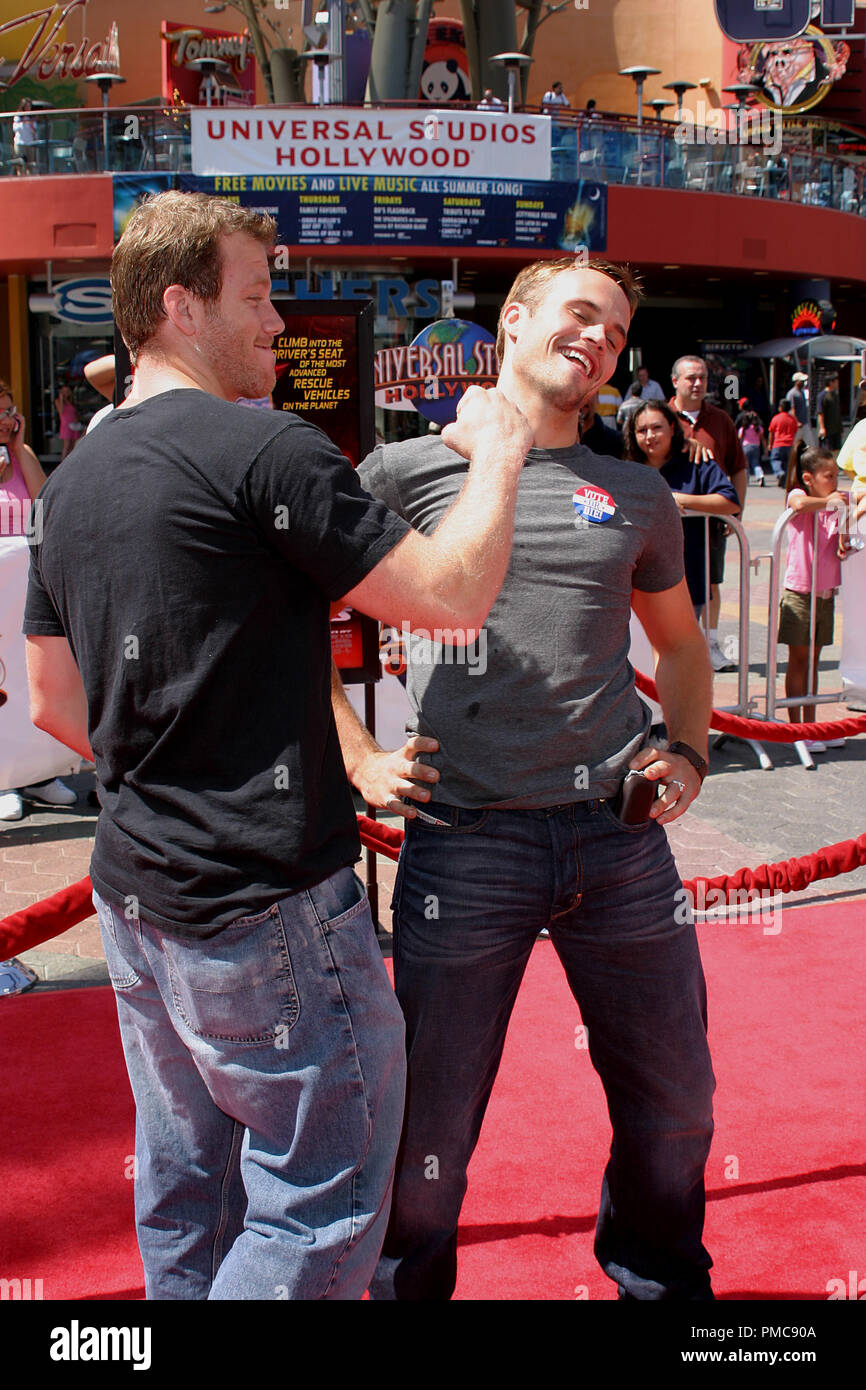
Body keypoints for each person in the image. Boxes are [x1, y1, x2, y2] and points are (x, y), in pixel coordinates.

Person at [23, 190, 532, 1300]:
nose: (280, 324)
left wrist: (176, 763)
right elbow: (447, 601)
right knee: (325, 1203)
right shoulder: (266, 449)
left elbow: (54, 701)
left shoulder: (72, 484)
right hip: (267, 899)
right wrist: (500, 453)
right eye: (256, 296)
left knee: (188, 1179)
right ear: (177, 306)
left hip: (136, 892)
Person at [333, 256, 717, 1302]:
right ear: (512, 321)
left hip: (620, 837)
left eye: (615, 328)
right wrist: (356, 755)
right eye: (578, 312)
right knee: (429, 1125)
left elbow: (680, 648)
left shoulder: (635, 491)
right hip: (465, 841)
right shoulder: (404, 471)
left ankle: (658, 1282)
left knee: (676, 1101)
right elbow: (282, 617)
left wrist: (684, 750)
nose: (597, 337)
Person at [0, 380, 76, 823]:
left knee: (34, 678)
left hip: (24, 589)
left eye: (10, 410)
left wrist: (20, 446)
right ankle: (5, 778)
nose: (7, 419)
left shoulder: (23, 455)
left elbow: (48, 505)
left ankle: (40, 774)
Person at [669, 355, 747, 672]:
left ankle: (710, 643)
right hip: (668, 522)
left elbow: (738, 468)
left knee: (710, 581)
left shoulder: (721, 419)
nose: (698, 383)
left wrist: (736, 513)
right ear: (675, 381)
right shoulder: (660, 417)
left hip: (709, 522)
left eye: (702, 377)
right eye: (690, 378)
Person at [624, 401, 738, 615]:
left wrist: (681, 499)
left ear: (673, 428)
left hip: (687, 579)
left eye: (657, 427)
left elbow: (729, 501)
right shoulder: (626, 469)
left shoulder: (696, 462)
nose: (650, 436)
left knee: (679, 646)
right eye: (641, 430)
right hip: (636, 583)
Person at [778, 443, 853, 753]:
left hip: (825, 593)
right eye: (828, 475)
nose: (834, 481)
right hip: (799, 592)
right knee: (799, 660)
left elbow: (843, 534)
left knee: (815, 661)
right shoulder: (798, 494)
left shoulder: (835, 503)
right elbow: (798, 506)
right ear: (808, 477)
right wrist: (828, 501)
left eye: (836, 475)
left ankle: (812, 726)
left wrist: (845, 539)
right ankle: (796, 729)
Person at [579, 391, 622, 457]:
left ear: (597, 397)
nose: (581, 399)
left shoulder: (617, 442)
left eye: (587, 392)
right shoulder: (558, 443)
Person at [767, 398, 798, 483]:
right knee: (787, 463)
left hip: (778, 444)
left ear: (780, 407)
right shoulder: (793, 419)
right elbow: (795, 431)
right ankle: (785, 480)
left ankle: (780, 473)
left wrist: (770, 444)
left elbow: (771, 432)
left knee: (775, 460)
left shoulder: (776, 418)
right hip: (790, 444)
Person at [735, 402, 766, 485]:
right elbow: (763, 439)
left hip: (745, 447)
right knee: (756, 463)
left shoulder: (743, 429)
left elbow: (739, 438)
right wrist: (765, 449)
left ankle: (746, 479)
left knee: (746, 464)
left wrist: (737, 448)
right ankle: (760, 476)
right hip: (756, 446)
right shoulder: (758, 428)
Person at [816, 372, 843, 453]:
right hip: (828, 429)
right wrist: (822, 428)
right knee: (827, 451)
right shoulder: (822, 396)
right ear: (831, 382)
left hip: (836, 429)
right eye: (836, 381)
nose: (837, 383)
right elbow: (820, 413)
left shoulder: (835, 395)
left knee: (836, 450)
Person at [54, 385, 81, 460]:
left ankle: (70, 462)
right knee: (66, 445)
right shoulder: (58, 401)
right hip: (65, 425)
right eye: (64, 391)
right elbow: (61, 411)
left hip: (73, 424)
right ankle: (62, 463)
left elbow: (74, 413)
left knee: (73, 446)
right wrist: (61, 399)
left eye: (67, 391)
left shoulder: (71, 401)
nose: (66, 393)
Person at [12, 98, 38, 174]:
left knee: (30, 164)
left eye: (29, 106)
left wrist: (32, 126)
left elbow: (35, 130)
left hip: (30, 143)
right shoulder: (18, 117)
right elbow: (15, 128)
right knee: (20, 164)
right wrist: (23, 122)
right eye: (26, 106)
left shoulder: (32, 118)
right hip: (20, 143)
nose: (28, 108)